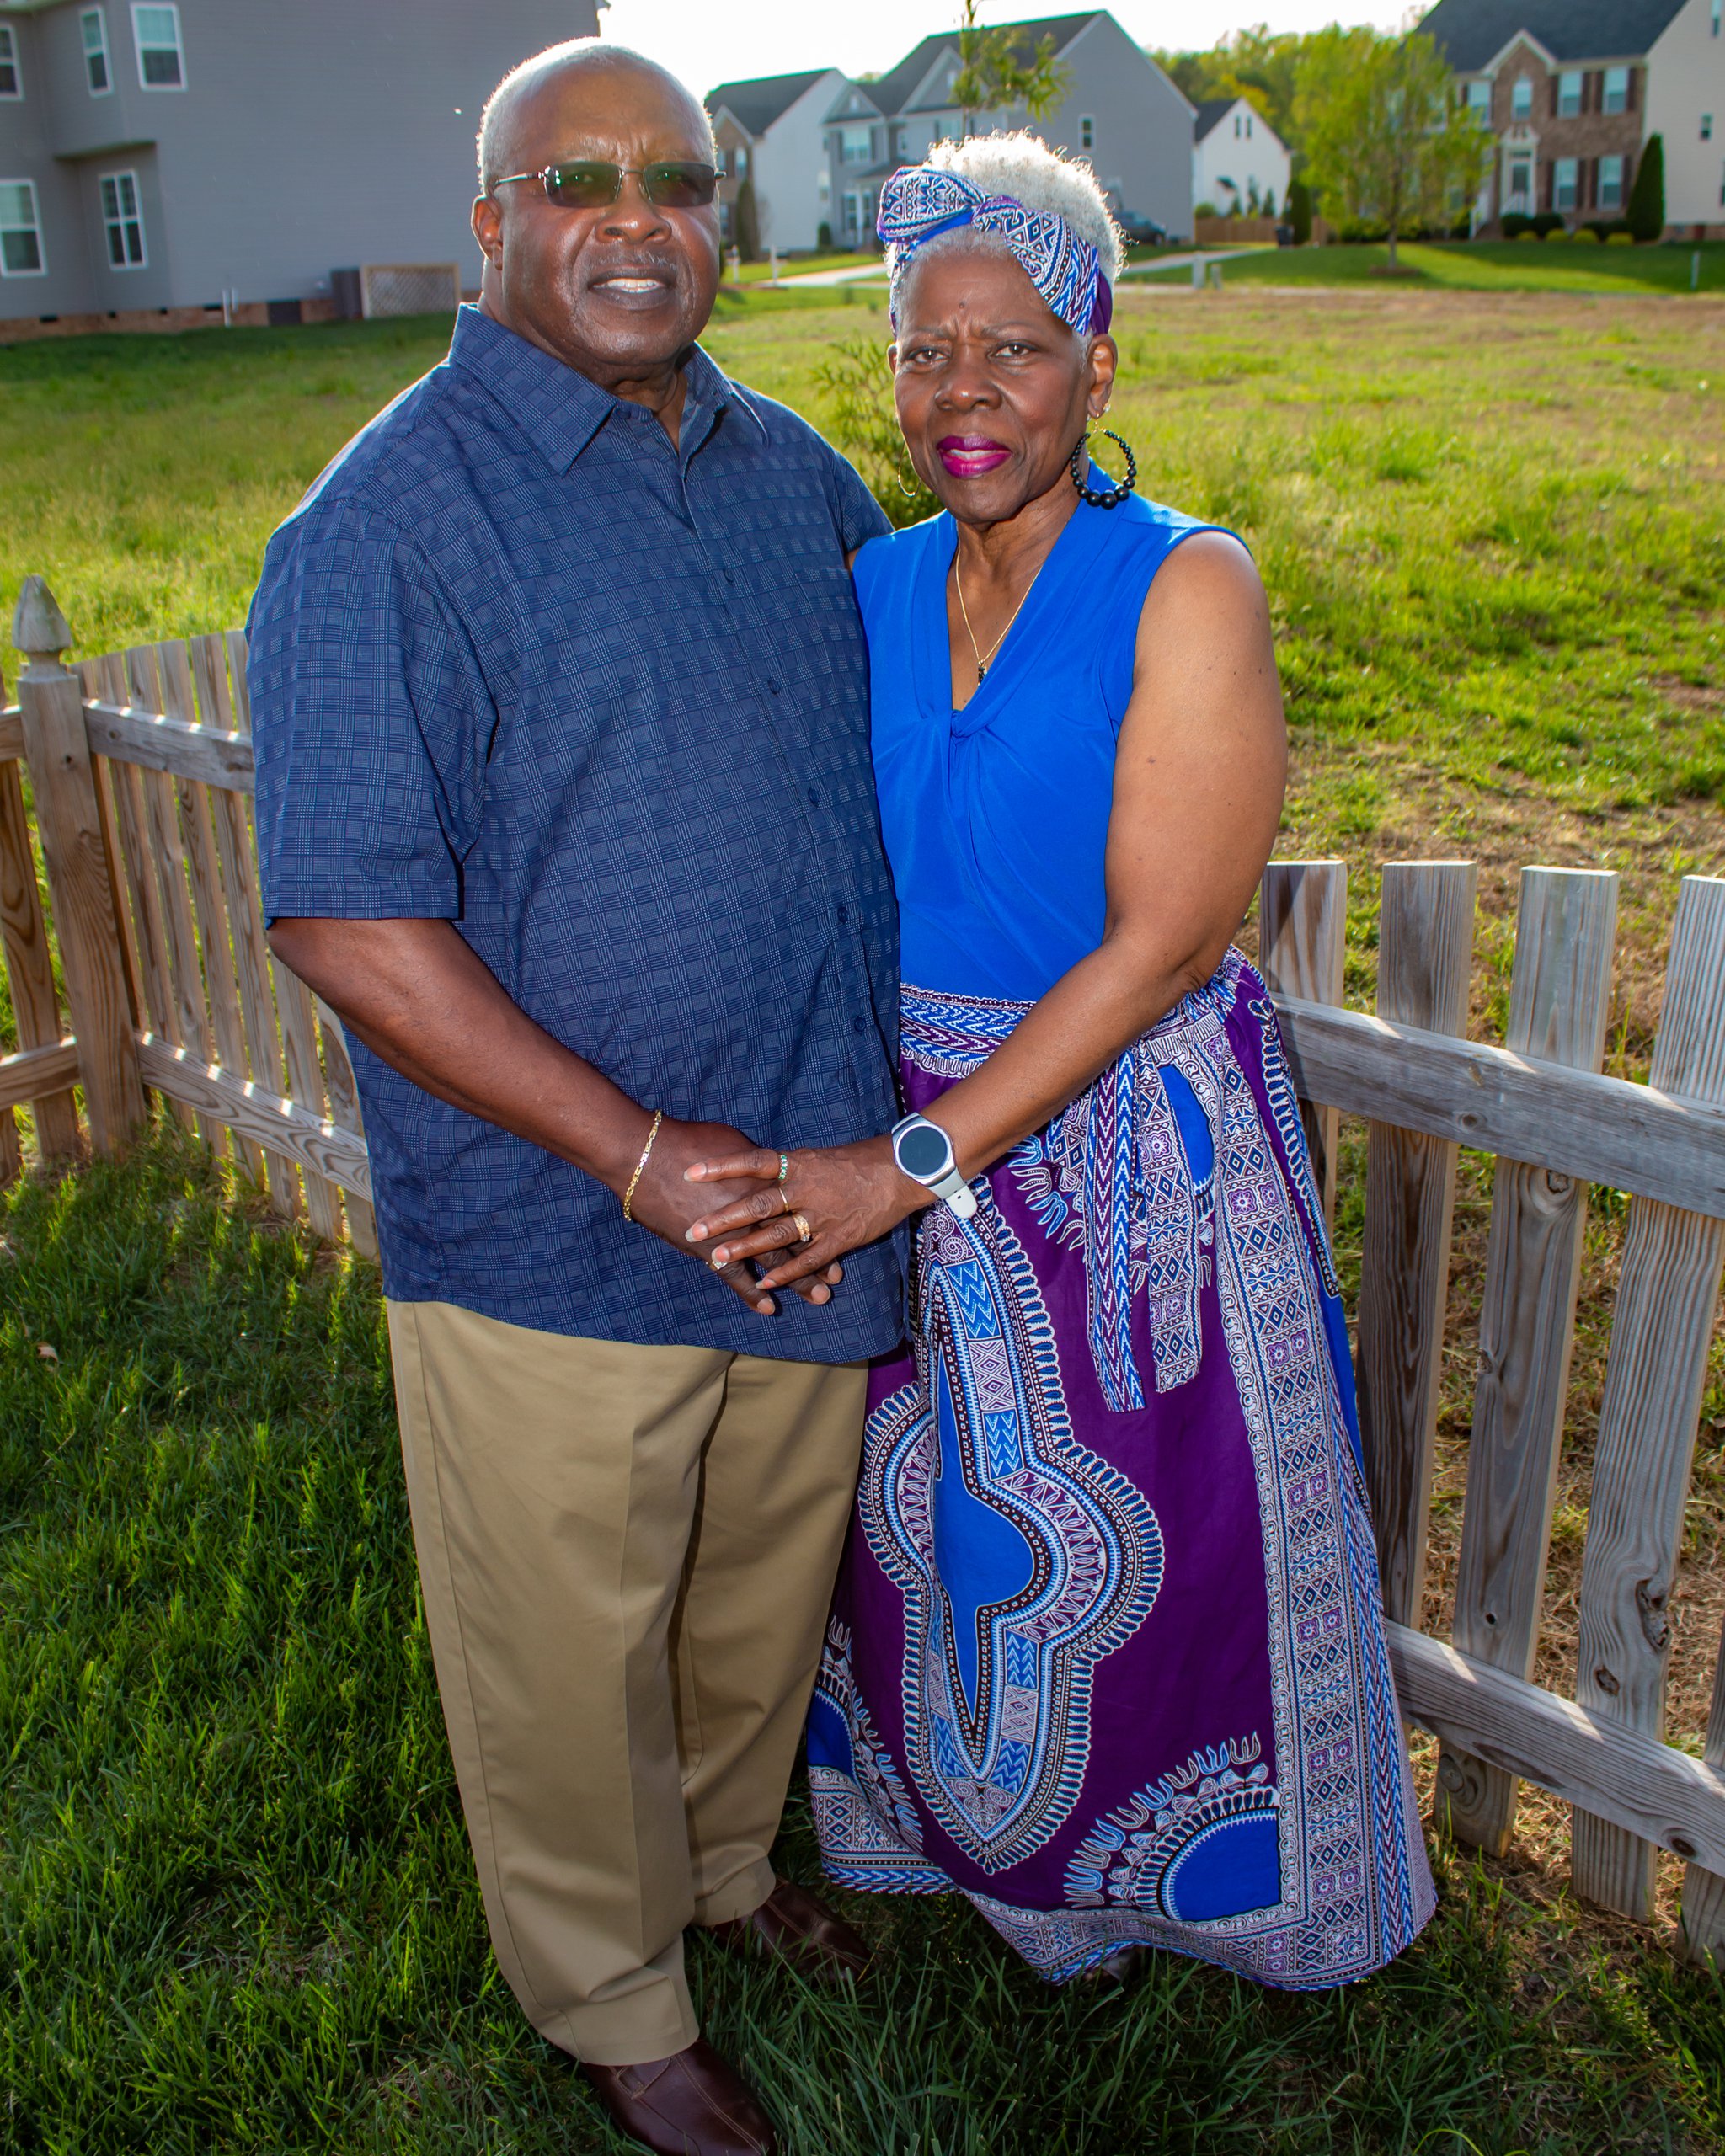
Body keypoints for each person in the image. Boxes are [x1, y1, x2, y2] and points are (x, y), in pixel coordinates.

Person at [684, 135, 1437, 1988]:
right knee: (945, 1521)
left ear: (1099, 355)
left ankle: (1241, 1892)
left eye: (1013, 348)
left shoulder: (1183, 584)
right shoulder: (865, 589)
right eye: (924, 350)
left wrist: (910, 1165)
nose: (964, 393)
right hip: (904, 1123)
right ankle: (987, 1853)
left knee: (1162, 1540)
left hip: (1117, 1139)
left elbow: (1165, 938)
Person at [248, 40, 904, 2156]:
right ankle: (612, 1995)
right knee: (569, 1649)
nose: (635, 217)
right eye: (576, 180)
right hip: (555, 1226)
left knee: (751, 1593)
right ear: (494, 225)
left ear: (722, 218)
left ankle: (723, 1874)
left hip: (807, 1183)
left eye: (677, 180)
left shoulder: (792, 468)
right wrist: (629, 1150)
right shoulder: (387, 524)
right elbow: (347, 919)